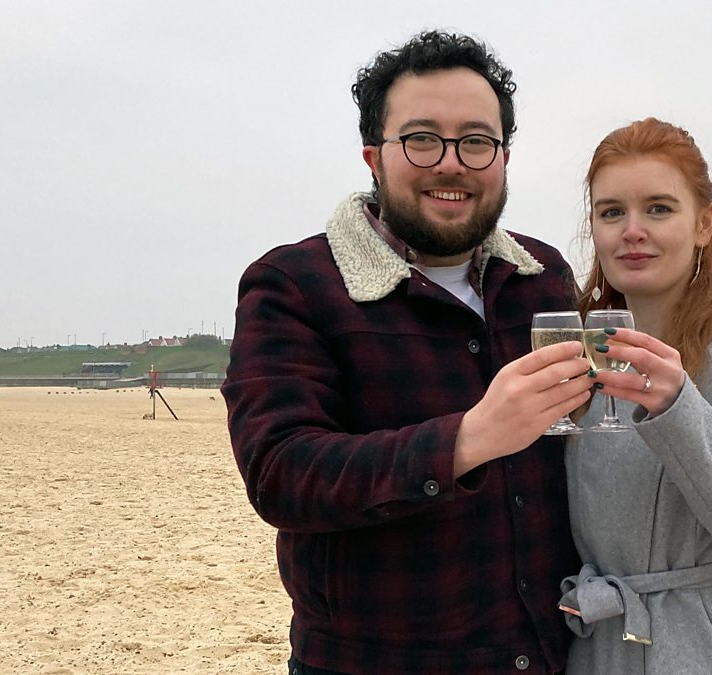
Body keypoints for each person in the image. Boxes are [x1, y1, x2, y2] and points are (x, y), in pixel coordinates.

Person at [222, 32, 594, 674]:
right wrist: (469, 438)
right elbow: (281, 474)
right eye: (422, 139)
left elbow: (630, 352)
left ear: (504, 157)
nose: (452, 163)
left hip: (552, 653)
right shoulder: (295, 284)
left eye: (477, 142)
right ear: (374, 156)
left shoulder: (543, 277)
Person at [557, 118, 712, 674]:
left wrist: (679, 410)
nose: (632, 230)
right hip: (593, 646)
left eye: (658, 208)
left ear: (703, 224)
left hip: (709, 648)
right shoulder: (575, 355)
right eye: (611, 212)